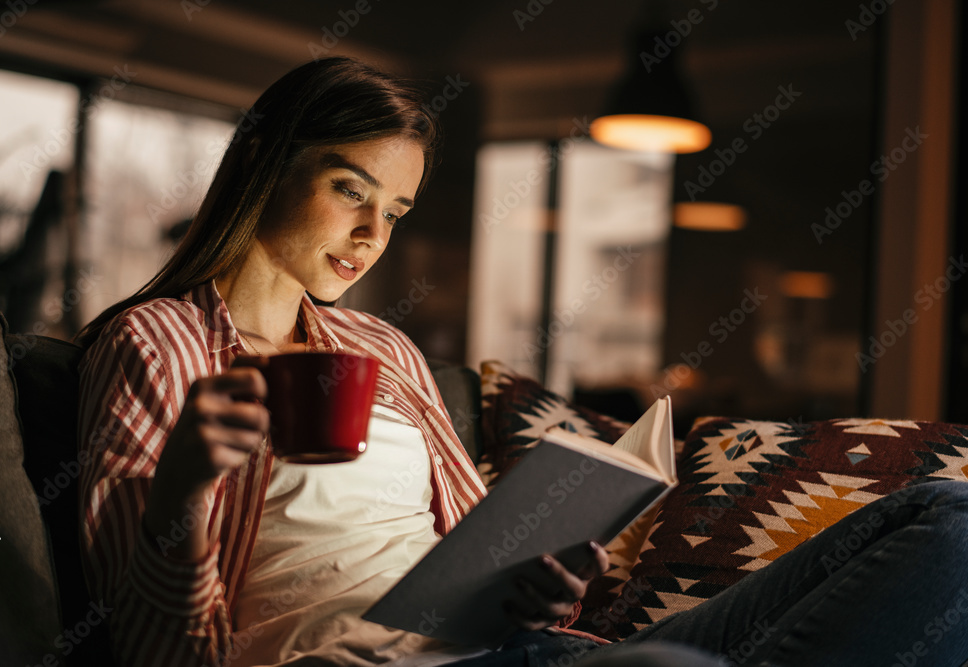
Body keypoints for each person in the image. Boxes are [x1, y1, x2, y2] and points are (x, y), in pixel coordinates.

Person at [76, 57, 968, 667]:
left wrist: (540, 586)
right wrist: (183, 487)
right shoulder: (157, 343)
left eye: (394, 209)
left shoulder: (383, 350)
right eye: (351, 188)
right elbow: (156, 651)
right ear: (268, 166)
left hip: (524, 649)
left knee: (947, 519)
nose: (370, 234)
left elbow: (479, 556)